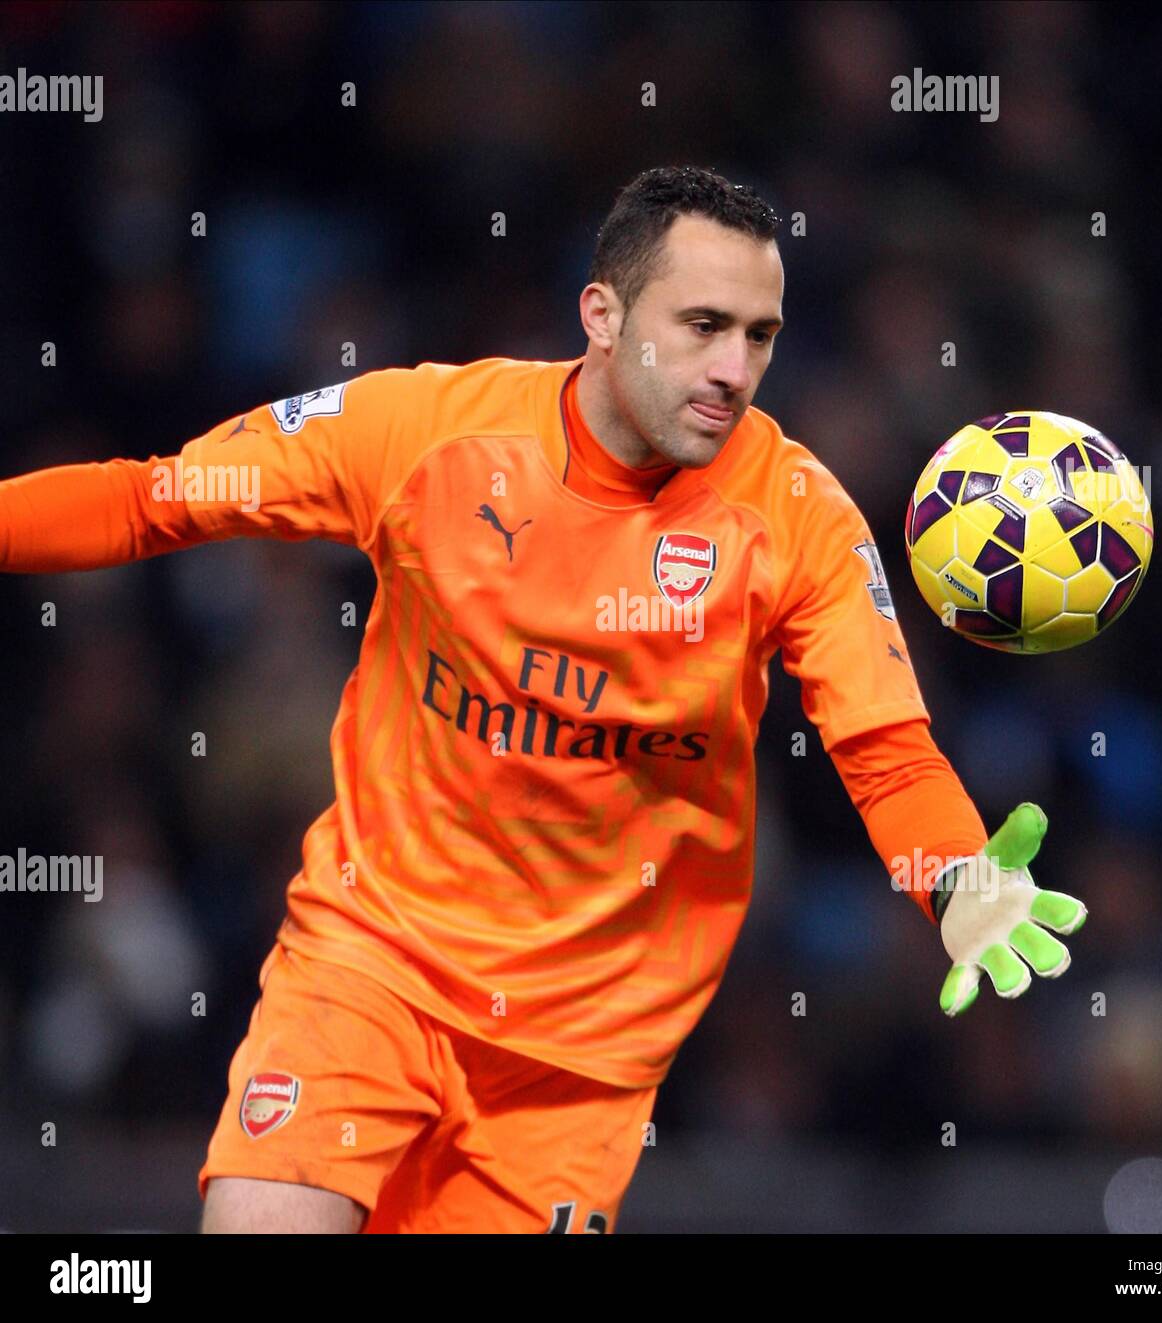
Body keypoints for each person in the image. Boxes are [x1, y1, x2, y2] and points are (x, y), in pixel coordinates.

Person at [0, 165, 1084, 1233]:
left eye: (758, 334)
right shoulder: (425, 434)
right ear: (601, 315)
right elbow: (147, 502)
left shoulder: (797, 520)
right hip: (377, 964)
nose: (732, 369)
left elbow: (885, 751)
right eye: (702, 323)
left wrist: (951, 879)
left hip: (582, 1057)